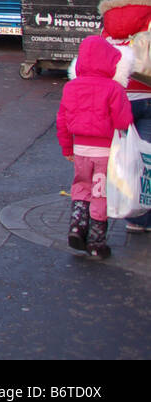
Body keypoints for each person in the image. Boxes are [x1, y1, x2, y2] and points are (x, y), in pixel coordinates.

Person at [57, 34, 133, 259]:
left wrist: (67, 148)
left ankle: (76, 226)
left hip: (80, 149)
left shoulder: (71, 87)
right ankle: (96, 243)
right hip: (105, 152)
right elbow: (122, 121)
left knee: (81, 186)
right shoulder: (114, 89)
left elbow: (62, 120)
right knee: (100, 194)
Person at [98, 0, 151, 234]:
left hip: (119, 97)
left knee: (122, 157)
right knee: (146, 159)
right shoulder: (149, 15)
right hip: (148, 93)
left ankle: (123, 210)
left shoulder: (108, 20)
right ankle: (143, 216)